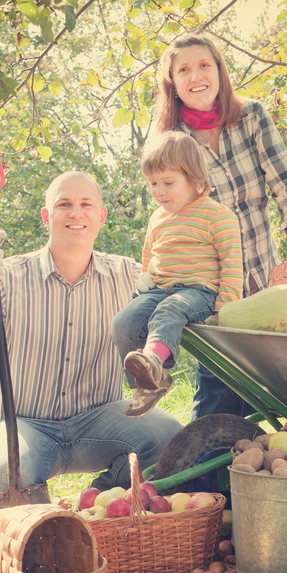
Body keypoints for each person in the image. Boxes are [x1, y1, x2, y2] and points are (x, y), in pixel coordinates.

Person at [0, 171, 184, 495]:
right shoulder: (5, 278)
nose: (75, 212)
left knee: (168, 437)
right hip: (25, 426)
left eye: (86, 204)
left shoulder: (128, 276)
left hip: (100, 422)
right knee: (6, 469)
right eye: (64, 204)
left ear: (101, 216)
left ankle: (100, 503)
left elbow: (183, 296)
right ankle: (38, 535)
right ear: (46, 216)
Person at [153, 32, 287, 419]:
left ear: (219, 70)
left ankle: (264, 455)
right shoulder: (169, 139)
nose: (197, 77)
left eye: (204, 65)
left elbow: (284, 181)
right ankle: (207, 461)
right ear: (172, 82)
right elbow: (169, 211)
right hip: (211, 280)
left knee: (272, 375)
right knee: (219, 382)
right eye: (184, 70)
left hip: (260, 271)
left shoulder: (251, 116)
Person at [111, 131, 243, 417]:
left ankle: (153, 363)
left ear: (195, 179)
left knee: (169, 311)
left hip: (200, 291)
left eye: (168, 183)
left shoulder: (218, 216)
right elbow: (150, 256)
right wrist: (144, 277)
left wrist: (225, 310)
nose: (159, 191)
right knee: (124, 321)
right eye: (153, 183)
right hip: (160, 288)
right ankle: (147, 383)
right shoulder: (157, 217)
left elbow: (232, 265)